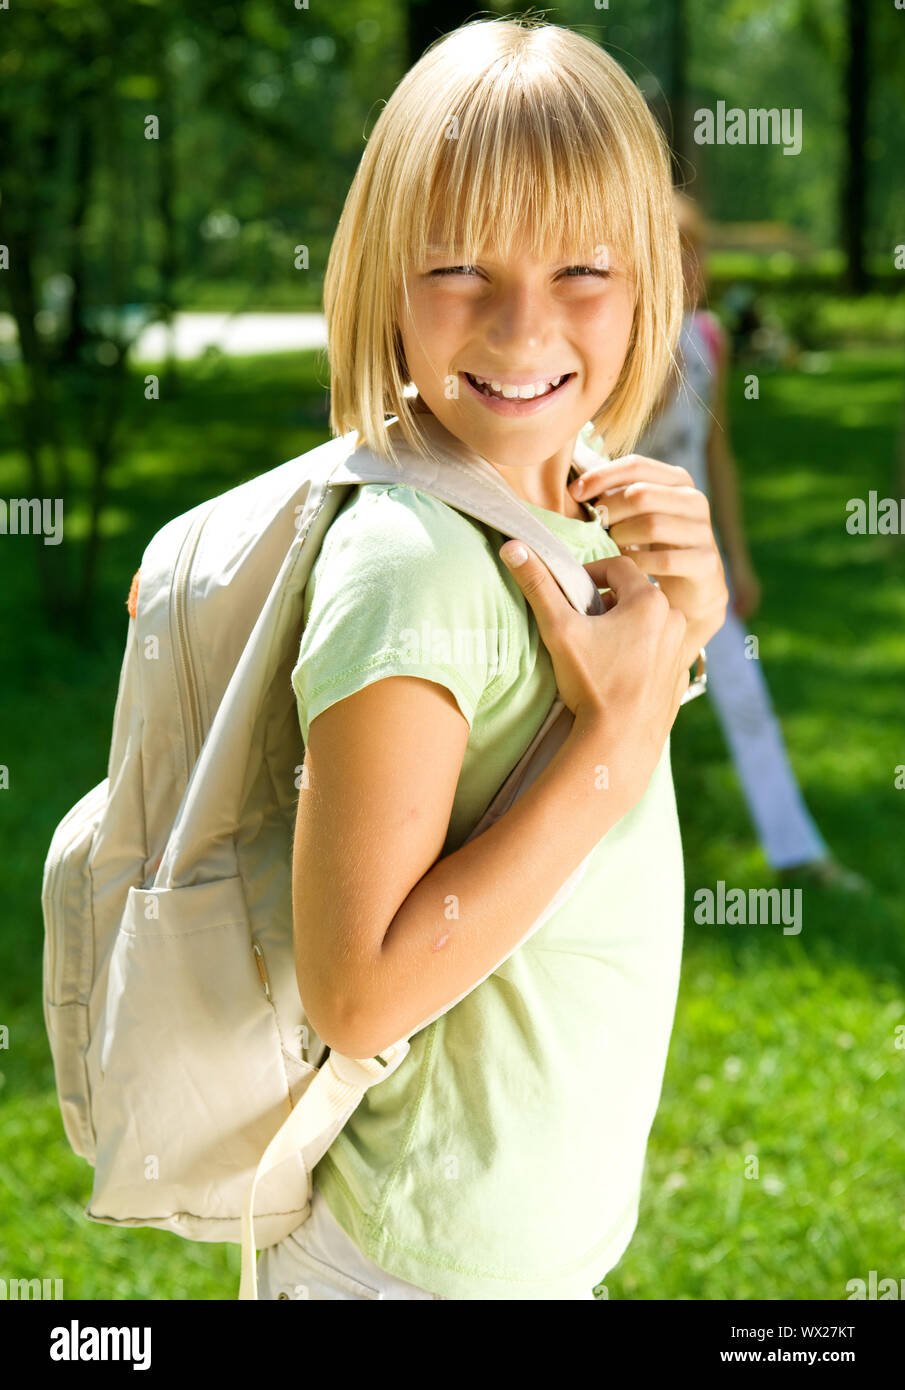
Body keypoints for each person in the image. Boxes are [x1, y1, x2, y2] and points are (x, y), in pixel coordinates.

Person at [255, 17, 728, 1301]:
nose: (524, 330)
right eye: (459, 266)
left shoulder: (566, 513)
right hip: (400, 1271)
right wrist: (616, 738)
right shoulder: (410, 559)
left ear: (649, 283)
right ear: (380, 282)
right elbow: (357, 997)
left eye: (584, 267)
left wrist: (671, 635)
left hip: (513, 1257)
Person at [624, 191, 865, 890]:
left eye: (693, 250)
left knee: (746, 700)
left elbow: (715, 454)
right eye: (669, 250)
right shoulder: (609, 339)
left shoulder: (706, 339)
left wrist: (737, 557)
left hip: (696, 564)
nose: (685, 265)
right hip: (617, 564)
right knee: (621, 724)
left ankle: (798, 851)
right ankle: (611, 882)